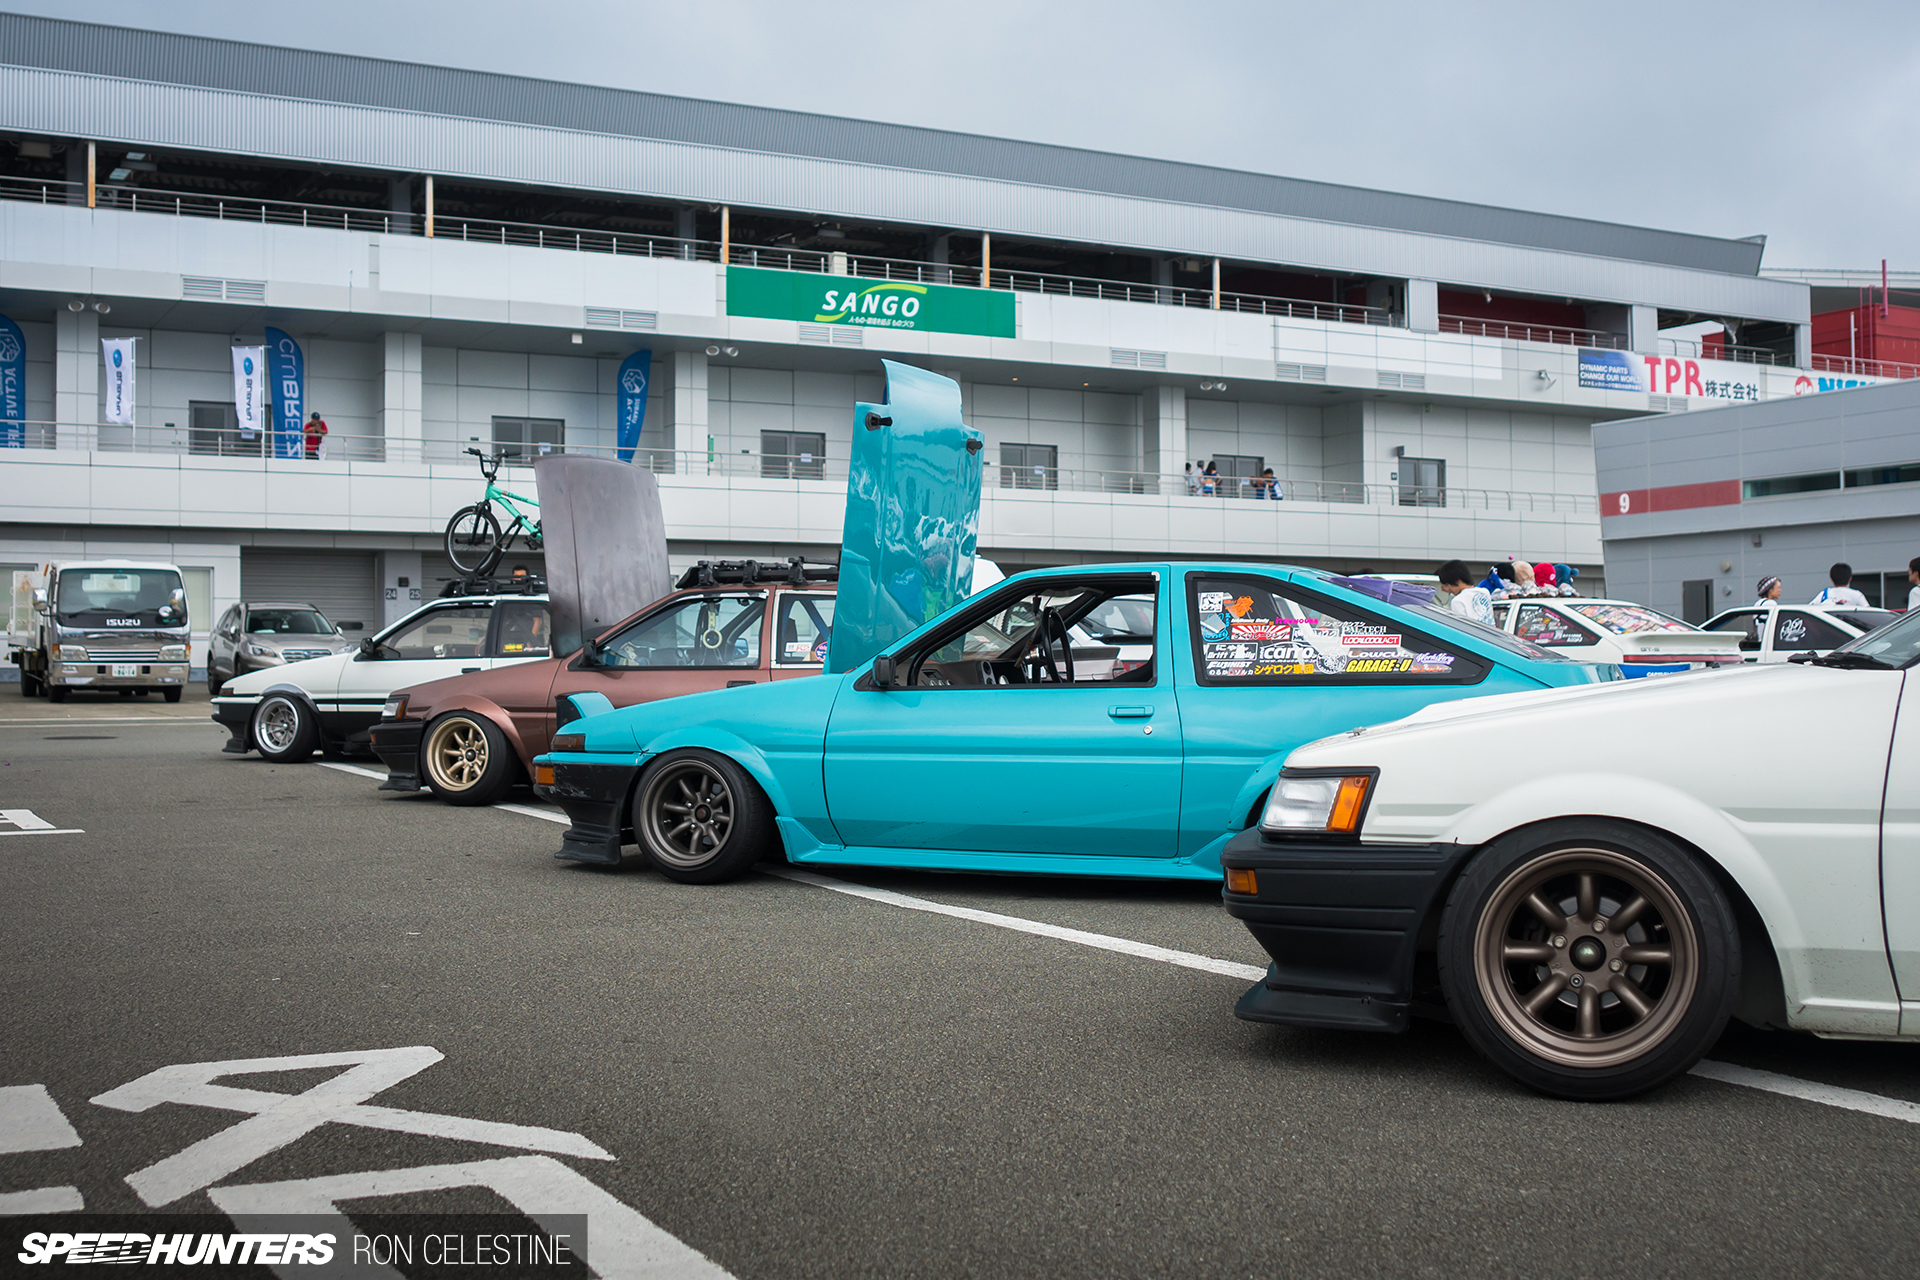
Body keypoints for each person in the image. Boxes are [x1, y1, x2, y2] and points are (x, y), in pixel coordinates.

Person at [1437, 559, 1494, 625]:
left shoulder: (1457, 601)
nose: (1449, 589)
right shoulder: (1485, 592)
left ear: (1458, 581)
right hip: (1491, 634)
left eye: (1447, 585)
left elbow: (1461, 627)